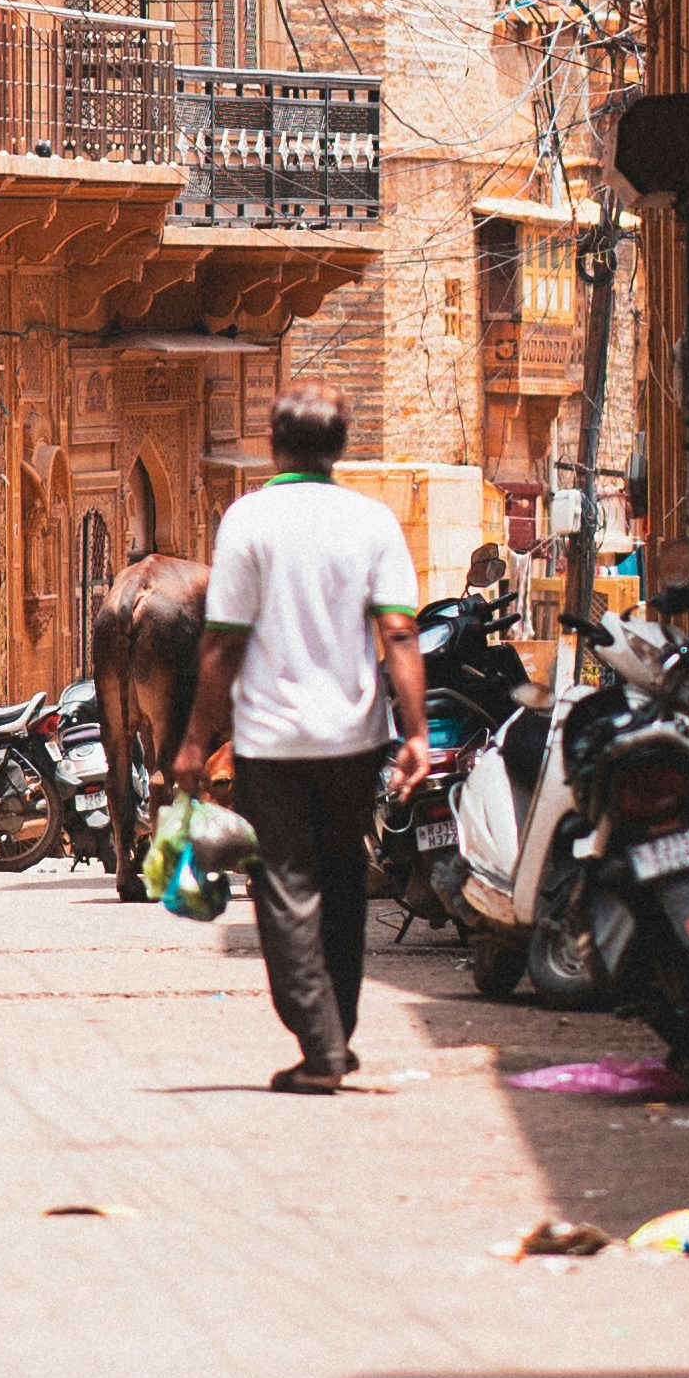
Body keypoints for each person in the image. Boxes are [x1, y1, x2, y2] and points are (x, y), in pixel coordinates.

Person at [180, 391, 428, 1096]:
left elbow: (223, 641)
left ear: (274, 443)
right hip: (355, 739)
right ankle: (333, 1039)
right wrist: (416, 733)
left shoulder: (249, 519)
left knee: (285, 887)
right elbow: (401, 633)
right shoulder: (371, 521)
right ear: (341, 447)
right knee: (343, 882)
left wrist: (195, 741)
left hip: (272, 739)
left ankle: (321, 1046)